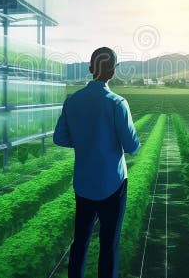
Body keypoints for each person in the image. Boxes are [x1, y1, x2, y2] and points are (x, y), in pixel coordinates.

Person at [53, 46, 141, 278]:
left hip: (83, 184)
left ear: (91, 68)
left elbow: (59, 137)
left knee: (80, 242)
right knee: (108, 246)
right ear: (112, 72)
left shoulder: (72, 101)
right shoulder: (117, 103)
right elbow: (132, 147)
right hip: (113, 185)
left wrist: (85, 142)